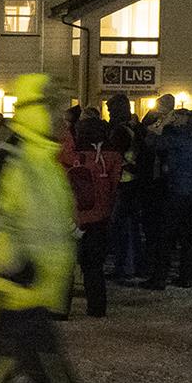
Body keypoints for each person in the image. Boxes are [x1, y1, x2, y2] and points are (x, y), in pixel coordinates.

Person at [0, 75, 78, 383]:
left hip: (33, 296)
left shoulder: (43, 160)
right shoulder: (11, 156)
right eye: (57, 111)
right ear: (38, 110)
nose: (64, 119)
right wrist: (18, 269)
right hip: (16, 299)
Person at [144, 109, 192, 290]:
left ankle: (159, 278)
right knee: (188, 236)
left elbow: (151, 142)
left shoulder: (178, 138)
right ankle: (186, 276)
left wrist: (163, 123)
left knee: (165, 235)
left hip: (175, 189)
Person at [70, 116, 121, 316]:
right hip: (101, 216)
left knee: (68, 263)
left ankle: (60, 309)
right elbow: (114, 185)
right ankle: (97, 307)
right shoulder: (113, 155)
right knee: (94, 265)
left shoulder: (76, 154)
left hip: (75, 216)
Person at [105, 94, 148, 285]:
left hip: (124, 182)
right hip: (133, 182)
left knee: (122, 227)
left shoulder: (120, 131)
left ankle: (125, 267)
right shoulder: (133, 128)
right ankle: (133, 265)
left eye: (110, 109)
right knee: (131, 226)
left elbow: (116, 156)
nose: (108, 113)